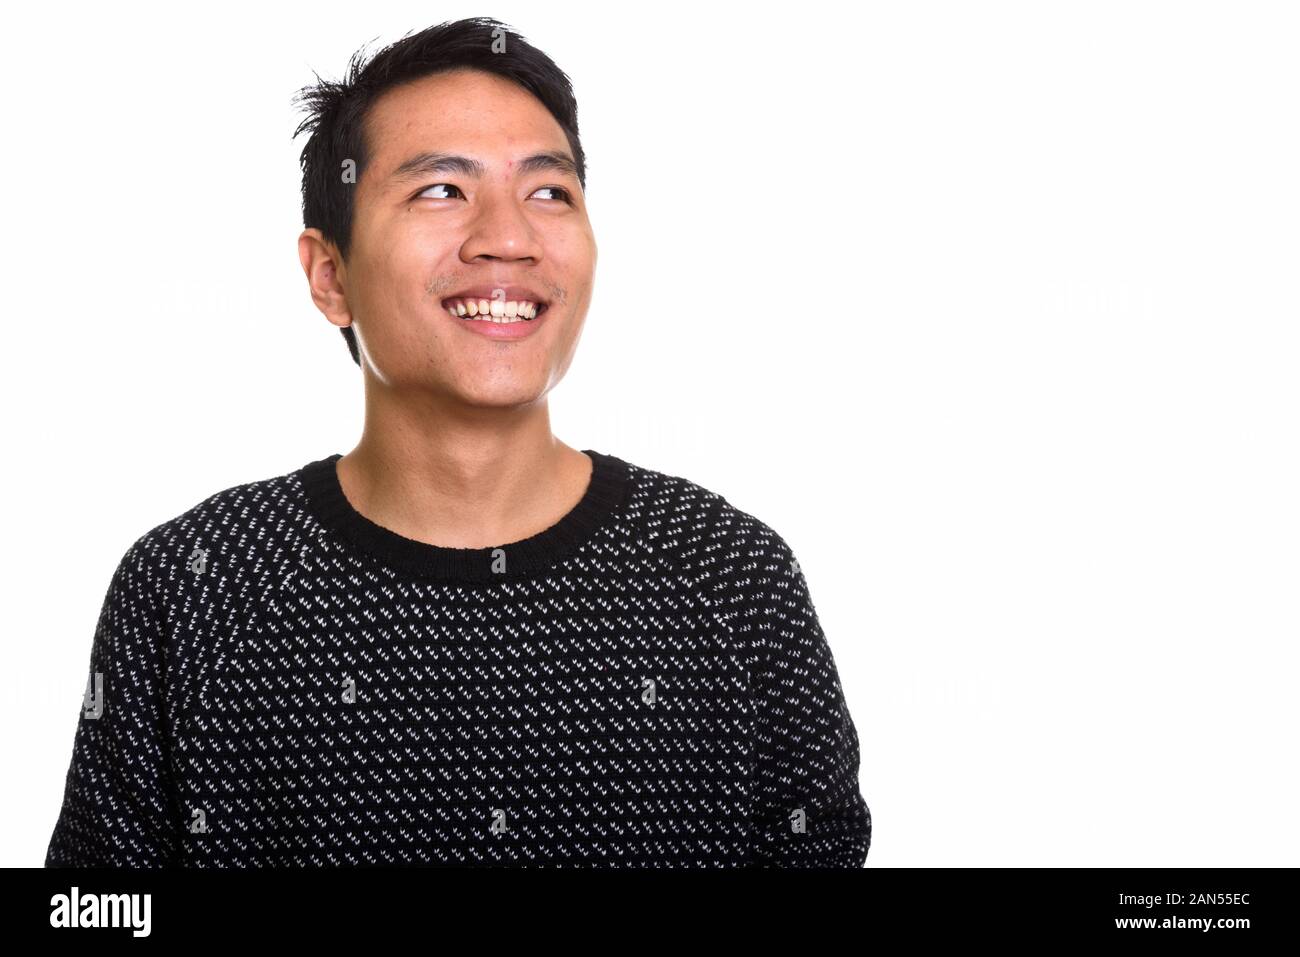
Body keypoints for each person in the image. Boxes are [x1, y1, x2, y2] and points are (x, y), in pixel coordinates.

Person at [44, 16, 871, 868]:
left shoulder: (730, 577)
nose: (508, 239)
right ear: (331, 276)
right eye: (441, 190)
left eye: (550, 192)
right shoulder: (196, 586)